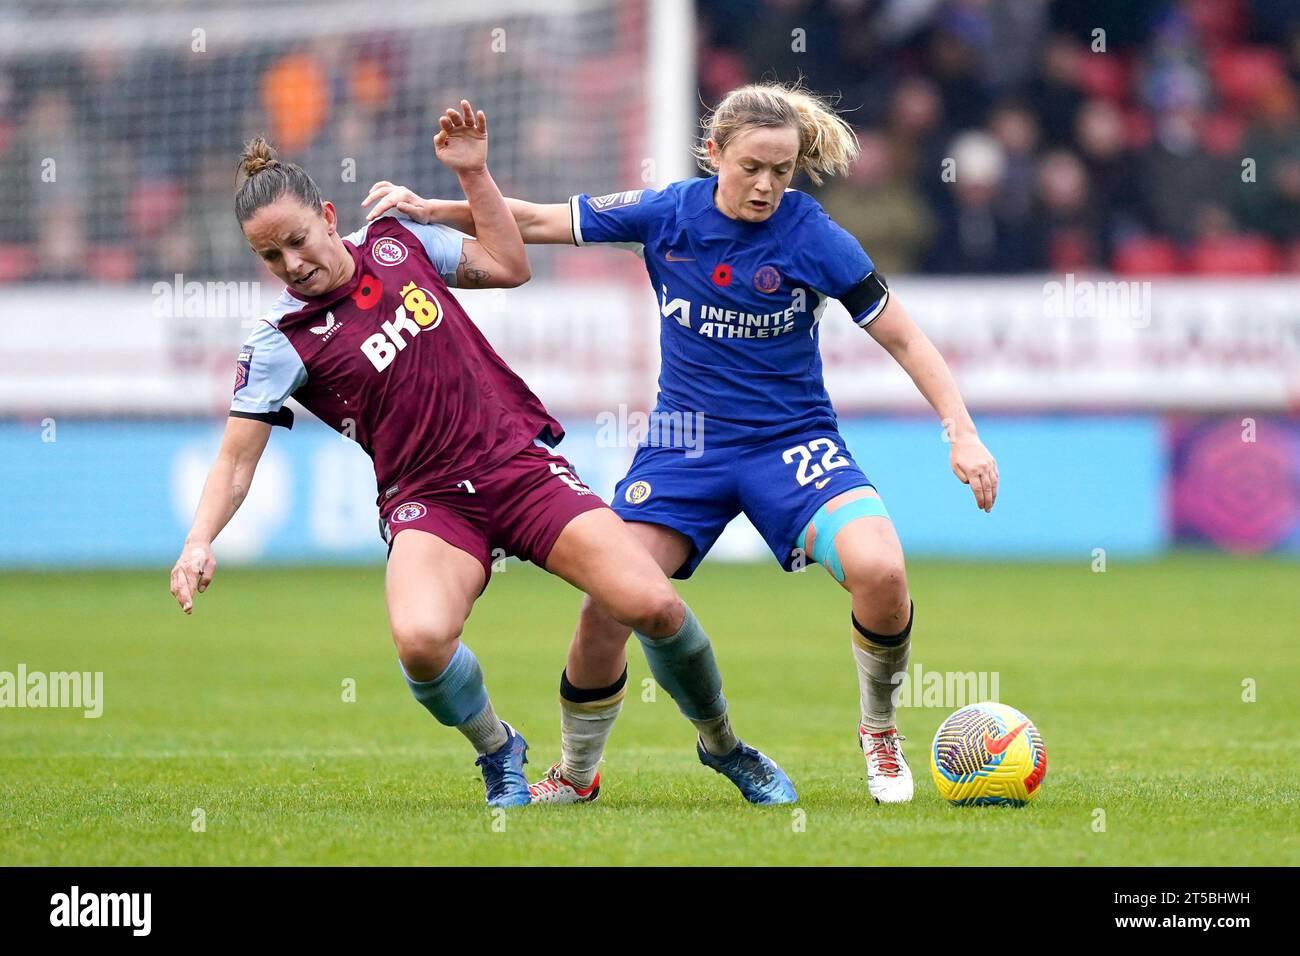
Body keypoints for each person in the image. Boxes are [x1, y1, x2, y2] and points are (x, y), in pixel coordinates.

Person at [364, 83, 1000, 805]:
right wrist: (431, 208)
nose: (765, 186)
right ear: (714, 154)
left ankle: (879, 732)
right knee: (609, 603)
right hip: (683, 445)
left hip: (790, 442)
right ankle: (576, 775)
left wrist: (963, 432)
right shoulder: (668, 212)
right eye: (751, 166)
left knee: (881, 570)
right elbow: (537, 219)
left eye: (782, 171)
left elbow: (906, 337)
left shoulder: (815, 237)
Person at [169, 101, 795, 808]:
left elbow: (508, 264)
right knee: (421, 641)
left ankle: (723, 746)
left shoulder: (398, 243)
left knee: (651, 603)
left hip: (519, 466)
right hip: (428, 501)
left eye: (297, 240)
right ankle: (499, 750)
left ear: (328, 215)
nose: (293, 264)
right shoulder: (279, 340)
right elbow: (235, 460)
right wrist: (199, 541)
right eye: (270, 256)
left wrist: (473, 175)